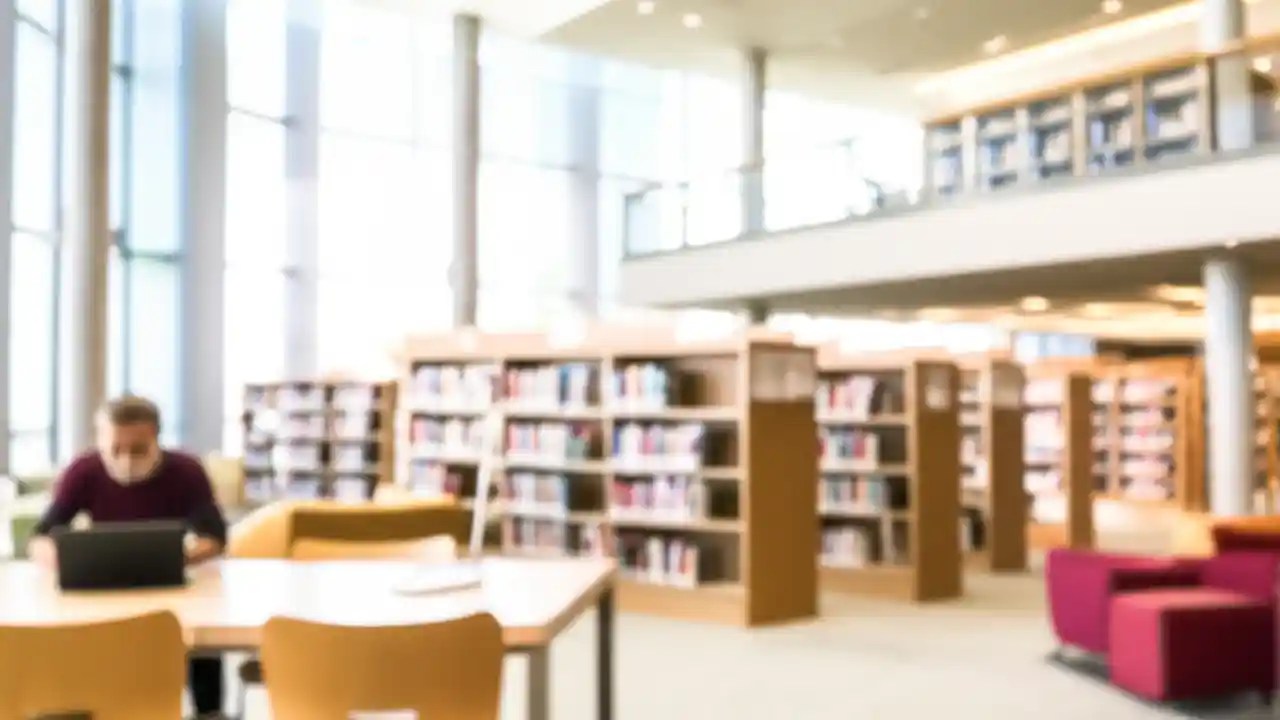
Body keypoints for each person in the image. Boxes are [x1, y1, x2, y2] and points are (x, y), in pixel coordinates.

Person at [28, 395, 229, 720]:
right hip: (100, 589)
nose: (125, 460)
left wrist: (180, 557)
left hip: (172, 585)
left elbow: (215, 538)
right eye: (115, 450)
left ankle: (209, 711)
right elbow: (41, 536)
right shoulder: (83, 471)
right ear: (100, 442)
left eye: (138, 449)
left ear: (157, 441)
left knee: (201, 633)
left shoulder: (186, 471)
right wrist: (60, 559)